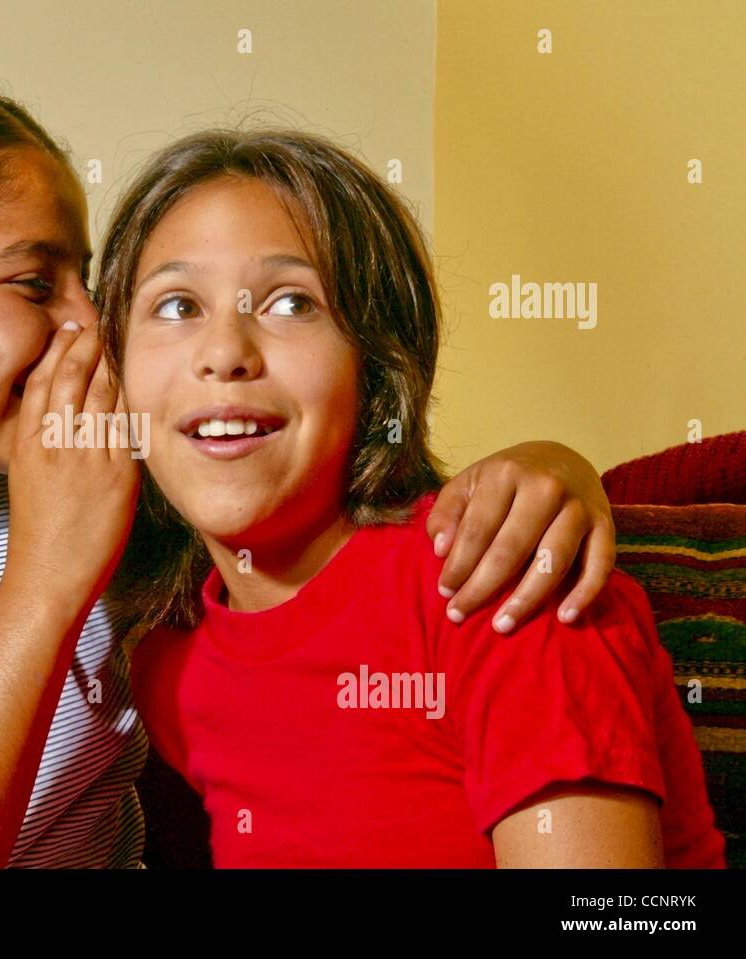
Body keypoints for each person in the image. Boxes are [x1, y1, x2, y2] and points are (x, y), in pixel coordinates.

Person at [0, 75, 623, 868]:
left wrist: (548, 469)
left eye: (92, 279)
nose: (89, 322)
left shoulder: (138, 493)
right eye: (36, 282)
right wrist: (45, 575)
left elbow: (318, 512)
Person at [100, 128, 727, 867]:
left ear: (378, 361)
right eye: (175, 306)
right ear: (113, 369)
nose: (224, 352)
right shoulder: (166, 665)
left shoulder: (500, 577)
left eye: (291, 302)